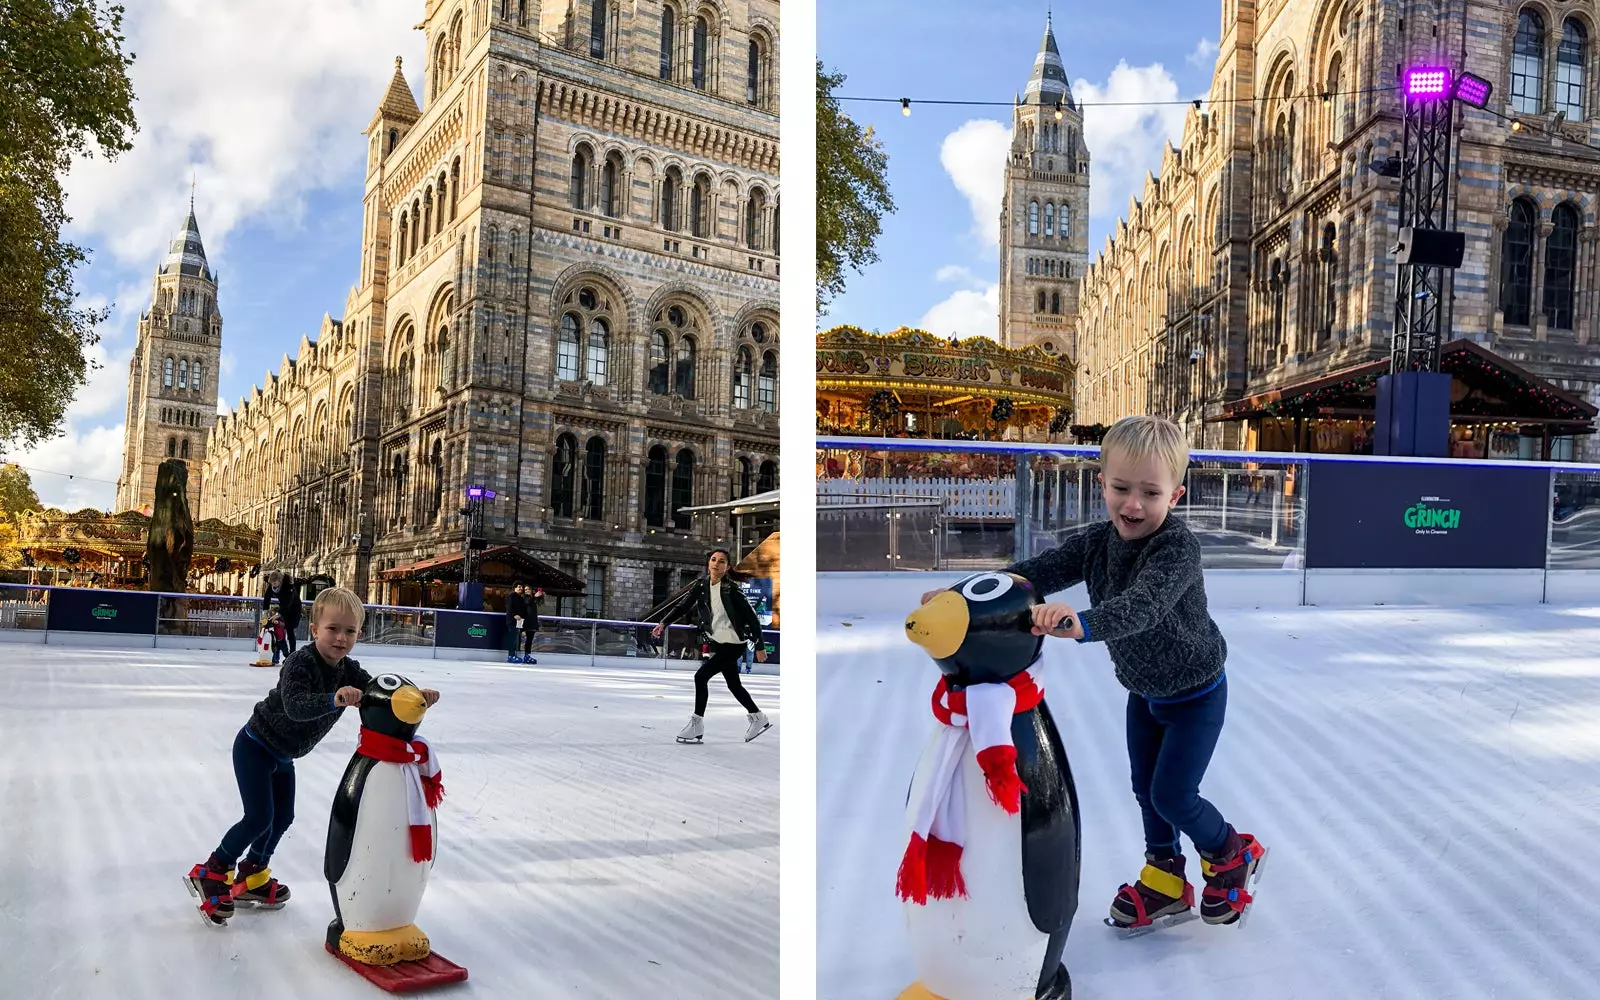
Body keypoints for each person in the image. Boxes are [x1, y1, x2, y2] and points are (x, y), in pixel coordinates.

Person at [920, 415, 1265, 930]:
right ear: (1101, 483)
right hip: (1143, 693)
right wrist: (960, 594)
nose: (1133, 504)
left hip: (1196, 692)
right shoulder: (1098, 542)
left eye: (1150, 493)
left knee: (1173, 794)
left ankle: (1232, 853)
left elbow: (1143, 607)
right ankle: (1165, 877)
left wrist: (1079, 622)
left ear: (1175, 496)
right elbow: (1034, 572)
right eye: (1122, 488)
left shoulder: (1176, 548)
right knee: (1145, 789)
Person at [184, 586, 441, 925]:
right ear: (315, 629)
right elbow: (295, 707)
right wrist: (334, 699)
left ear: (358, 634)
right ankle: (214, 870)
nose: (340, 638)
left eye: (349, 631)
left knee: (283, 817)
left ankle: (253, 872)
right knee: (259, 817)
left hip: (284, 757)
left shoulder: (349, 670)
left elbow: (376, 695)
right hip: (256, 746)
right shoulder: (299, 662)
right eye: (333, 629)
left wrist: (411, 698)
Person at [652, 549, 771, 744]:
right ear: (708, 563)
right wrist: (664, 623)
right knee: (734, 685)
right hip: (719, 642)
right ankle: (758, 717)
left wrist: (760, 646)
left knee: (701, 677)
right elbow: (682, 606)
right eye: (713, 560)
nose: (716, 564)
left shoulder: (732, 589)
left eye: (721, 561)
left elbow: (752, 618)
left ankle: (697, 724)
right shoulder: (701, 585)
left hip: (734, 644)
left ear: (727, 567)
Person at [260, 570, 302, 655]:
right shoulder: (272, 586)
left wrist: (278, 614)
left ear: (280, 581)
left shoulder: (288, 586)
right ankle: (279, 654)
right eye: (272, 583)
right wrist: (265, 612)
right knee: (277, 629)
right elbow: (267, 597)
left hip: (294, 609)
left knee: (290, 630)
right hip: (283, 608)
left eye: (275, 583)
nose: (273, 585)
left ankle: (292, 653)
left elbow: (288, 603)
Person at [505, 582, 528, 663]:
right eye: (519, 587)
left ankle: (514, 655)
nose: (520, 588)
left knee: (516, 638)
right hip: (512, 620)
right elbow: (509, 607)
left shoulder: (520, 598)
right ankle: (511, 656)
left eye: (521, 587)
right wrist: (514, 615)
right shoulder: (511, 596)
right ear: (514, 588)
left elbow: (523, 610)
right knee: (512, 638)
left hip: (519, 621)